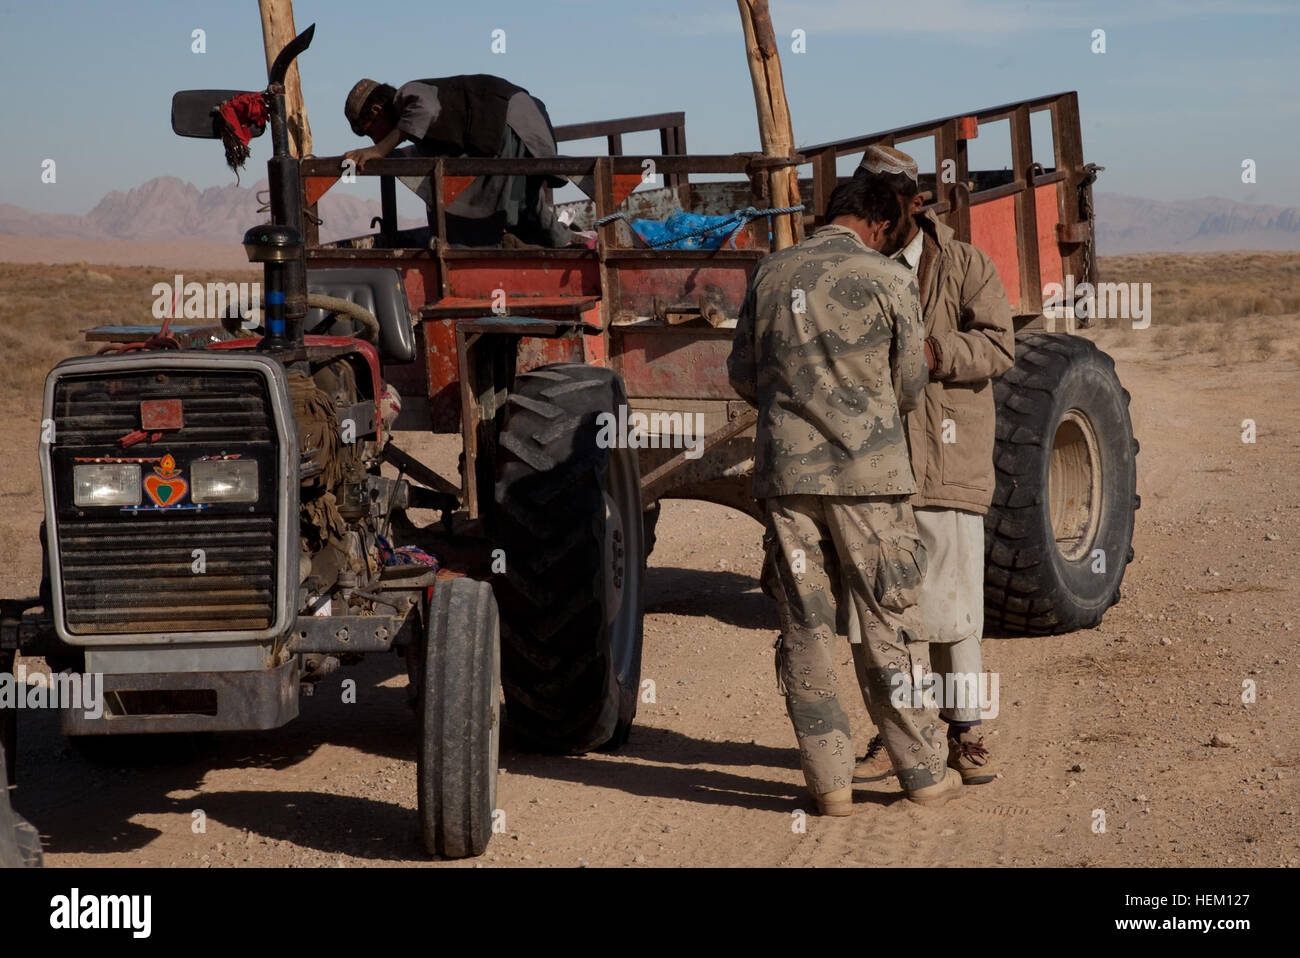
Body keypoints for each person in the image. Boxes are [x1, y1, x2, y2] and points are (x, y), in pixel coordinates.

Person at [728, 175, 963, 815]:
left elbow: (741, 374)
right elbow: (911, 380)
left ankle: (828, 786)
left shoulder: (770, 273)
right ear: (882, 225)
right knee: (887, 621)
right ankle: (922, 775)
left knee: (805, 626)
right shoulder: (887, 277)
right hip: (871, 482)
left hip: (787, 482)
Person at [849, 145, 1015, 787]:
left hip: (947, 462)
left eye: (885, 200)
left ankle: (966, 734)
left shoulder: (965, 263)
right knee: (883, 614)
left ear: (912, 204)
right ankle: (895, 739)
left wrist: (933, 351)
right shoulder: (854, 266)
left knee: (953, 611)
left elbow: (1000, 343)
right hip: (873, 471)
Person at [343, 75, 580, 248]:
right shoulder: (420, 130)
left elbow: (426, 109)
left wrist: (379, 149)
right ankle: (568, 247)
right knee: (526, 206)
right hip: (526, 121)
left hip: (506, 121)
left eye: (370, 132)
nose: (375, 139)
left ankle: (472, 277)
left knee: (467, 213)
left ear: (377, 110)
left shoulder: (408, 95)